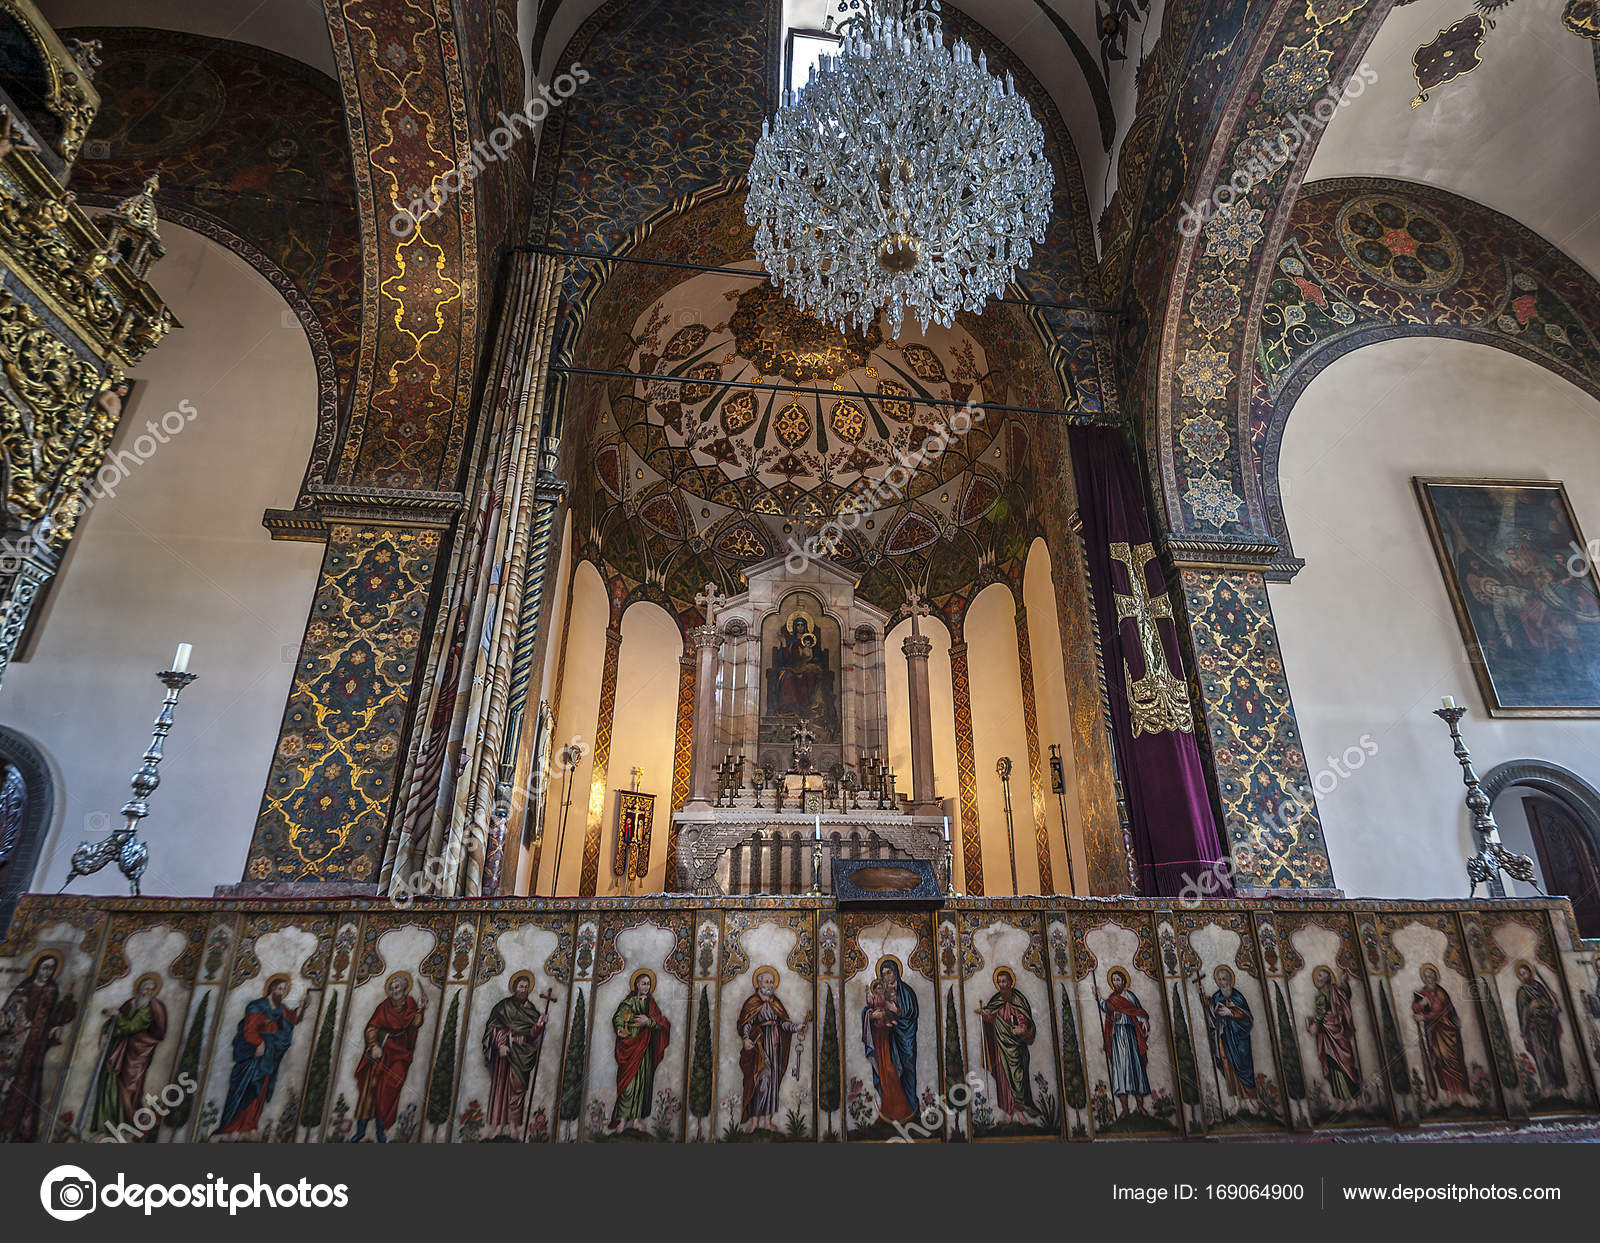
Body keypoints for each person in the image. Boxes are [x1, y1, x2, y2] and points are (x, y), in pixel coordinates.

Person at [0, 951, 77, 1142]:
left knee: (24, 1087)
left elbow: (51, 1017)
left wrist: (56, 1025)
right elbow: (7, 1013)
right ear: (37, 968)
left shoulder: (52, 990)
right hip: (13, 1045)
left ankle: (12, 1129)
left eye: (51, 968)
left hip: (33, 1048)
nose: (47, 971)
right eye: (44, 967)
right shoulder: (23, 988)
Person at [214, 974, 300, 1139]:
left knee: (260, 1090)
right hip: (252, 1054)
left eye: (284, 990)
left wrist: (302, 1007)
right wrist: (258, 1042)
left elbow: (292, 1019)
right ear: (272, 988)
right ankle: (234, 1126)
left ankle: (251, 1124)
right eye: (280, 989)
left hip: (268, 1055)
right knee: (245, 1088)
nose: (282, 993)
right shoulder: (256, 1006)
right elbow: (249, 1029)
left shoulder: (279, 1008)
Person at [89, 973, 167, 1140]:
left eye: (151, 990)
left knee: (129, 1089)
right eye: (145, 988)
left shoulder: (149, 1010)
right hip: (117, 1050)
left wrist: (116, 1016)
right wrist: (104, 1033)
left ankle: (122, 1126)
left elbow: (131, 1026)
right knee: (108, 1085)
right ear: (139, 988)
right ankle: (104, 1126)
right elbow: (112, 1022)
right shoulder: (129, 1004)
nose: (147, 992)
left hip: (136, 1055)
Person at [353, 972, 426, 1142]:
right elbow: (371, 1027)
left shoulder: (410, 1004)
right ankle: (362, 1130)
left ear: (404, 988)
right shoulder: (384, 1007)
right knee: (369, 1091)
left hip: (400, 1053)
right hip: (381, 1051)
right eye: (392, 988)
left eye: (397, 987)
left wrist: (421, 1008)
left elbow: (415, 1023)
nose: (394, 990)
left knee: (389, 1090)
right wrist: (374, 1045)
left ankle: (381, 1129)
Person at [737, 967, 805, 1132]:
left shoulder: (775, 1003)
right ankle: (754, 1122)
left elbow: (782, 1023)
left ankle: (767, 1122)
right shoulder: (752, 1003)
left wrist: (796, 1027)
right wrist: (746, 1038)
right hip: (759, 1046)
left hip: (775, 1047)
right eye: (767, 981)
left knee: (773, 1082)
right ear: (759, 983)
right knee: (760, 1080)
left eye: (771, 981)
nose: (770, 984)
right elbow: (746, 1023)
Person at [482, 971, 548, 1138]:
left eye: (526, 987)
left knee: (517, 1090)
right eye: (521, 987)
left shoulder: (531, 1009)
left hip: (522, 1053)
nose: (523, 990)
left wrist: (539, 1025)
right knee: (500, 1089)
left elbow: (532, 1034)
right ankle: (498, 1126)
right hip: (505, 1053)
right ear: (514, 988)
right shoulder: (503, 1006)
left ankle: (512, 1125)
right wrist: (501, 1044)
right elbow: (494, 1027)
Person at [611, 969, 670, 1133]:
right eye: (643, 983)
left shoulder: (652, 1005)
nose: (646, 986)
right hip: (630, 1046)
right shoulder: (629, 1003)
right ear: (636, 984)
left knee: (642, 1085)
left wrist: (648, 1021)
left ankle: (636, 1120)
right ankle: (622, 1120)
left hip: (645, 1049)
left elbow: (661, 1023)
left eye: (648, 984)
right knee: (627, 1085)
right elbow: (618, 1017)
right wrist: (619, 1029)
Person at [975, 967, 1036, 1123]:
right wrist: (985, 1015)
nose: (1002, 984)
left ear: (1010, 982)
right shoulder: (996, 1000)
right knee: (1003, 1080)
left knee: (1019, 1080)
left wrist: (1022, 1029)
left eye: (1004, 981)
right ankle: (1009, 1111)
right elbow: (991, 1019)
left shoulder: (1018, 999)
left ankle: (1020, 1111)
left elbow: (1025, 1019)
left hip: (1017, 1048)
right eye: (999, 982)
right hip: (1000, 1048)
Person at [862, 957, 918, 1124]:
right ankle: (890, 1111)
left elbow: (911, 1013)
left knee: (906, 1071)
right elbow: (869, 1009)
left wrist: (897, 1010)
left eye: (889, 973)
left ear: (896, 973)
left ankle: (910, 1110)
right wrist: (871, 1015)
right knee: (887, 1072)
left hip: (904, 1040)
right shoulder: (880, 993)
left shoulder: (906, 991)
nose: (886, 977)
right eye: (883, 974)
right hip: (885, 1040)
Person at [1411, 963, 1470, 1105]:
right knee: (1440, 1063)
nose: (1429, 978)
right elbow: (1415, 1007)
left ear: (1436, 977)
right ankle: (1448, 1095)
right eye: (1426, 976)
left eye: (1431, 975)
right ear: (1424, 979)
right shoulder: (1423, 993)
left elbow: (1439, 1010)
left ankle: (1461, 1095)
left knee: (1454, 1063)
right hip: (1434, 1034)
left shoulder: (1441, 992)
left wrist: (1423, 1017)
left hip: (1448, 1032)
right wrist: (1421, 1005)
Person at [1306, 965, 1362, 1110]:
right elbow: (1320, 1013)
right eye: (1318, 976)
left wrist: (1344, 982)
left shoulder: (1336, 990)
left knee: (1347, 1064)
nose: (1319, 979)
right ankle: (1341, 1099)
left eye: (1321, 976)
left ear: (1327, 978)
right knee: (1333, 1065)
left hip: (1338, 1032)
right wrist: (1315, 1023)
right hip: (1327, 1034)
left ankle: (1355, 1099)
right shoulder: (1319, 995)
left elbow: (1346, 997)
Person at [1100, 968, 1150, 1118]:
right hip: (1117, 1038)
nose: (1116, 982)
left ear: (1124, 981)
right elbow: (1105, 1007)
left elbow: (1139, 1012)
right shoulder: (1111, 998)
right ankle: (1125, 1109)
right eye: (1114, 980)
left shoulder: (1129, 996)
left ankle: (1141, 1107)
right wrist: (1098, 997)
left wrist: (1144, 1021)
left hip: (1131, 1036)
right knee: (1120, 1071)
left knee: (1136, 1070)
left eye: (1118, 980)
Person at [1514, 960, 1568, 1097]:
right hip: (1535, 1030)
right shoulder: (1521, 992)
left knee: (1555, 1056)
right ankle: (1547, 1087)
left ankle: (1562, 1087)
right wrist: (1530, 1008)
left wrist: (1554, 1004)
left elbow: (1552, 1008)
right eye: (1521, 974)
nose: (1524, 976)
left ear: (1530, 972)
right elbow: (1522, 1013)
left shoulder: (1539, 987)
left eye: (1525, 972)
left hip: (1549, 1027)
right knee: (1541, 1059)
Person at [1207, 966, 1257, 1107]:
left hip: (1240, 1039)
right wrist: (1209, 1005)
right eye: (1220, 980)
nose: (1223, 982)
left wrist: (1231, 1012)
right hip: (1224, 1037)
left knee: (1244, 1066)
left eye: (1225, 979)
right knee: (1228, 1067)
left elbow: (1248, 1018)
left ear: (1230, 980)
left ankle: (1249, 1102)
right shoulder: (1217, 996)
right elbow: (1212, 1014)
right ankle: (1236, 1103)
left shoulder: (1238, 997)